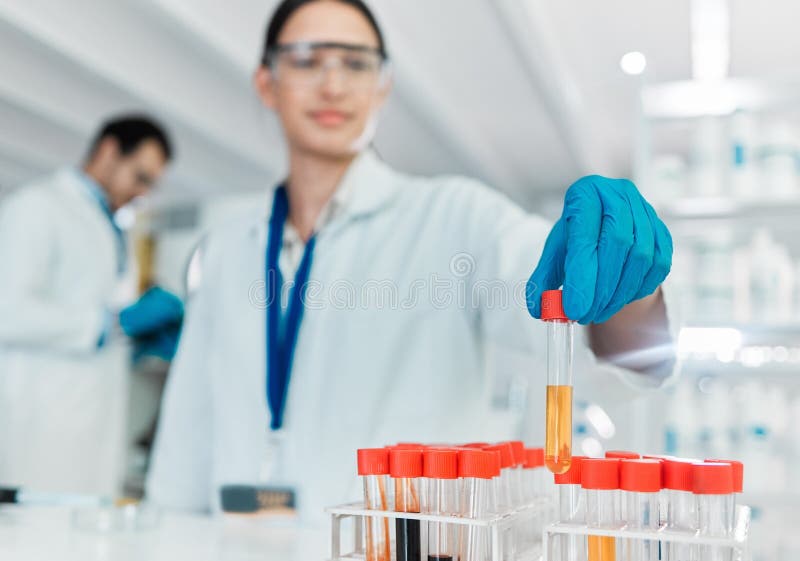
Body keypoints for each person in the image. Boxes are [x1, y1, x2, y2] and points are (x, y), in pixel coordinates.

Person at [147, 0, 675, 522]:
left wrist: (628, 291)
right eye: (307, 60)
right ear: (267, 82)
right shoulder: (227, 247)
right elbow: (185, 445)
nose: (333, 85)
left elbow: (578, 325)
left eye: (356, 63)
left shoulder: (456, 217)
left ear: (383, 86)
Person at [0, 115, 175, 496]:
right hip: (38, 431)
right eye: (140, 177)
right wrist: (110, 325)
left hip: (89, 429)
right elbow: (7, 312)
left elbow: (101, 320)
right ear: (109, 151)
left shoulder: (112, 227)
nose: (141, 193)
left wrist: (136, 343)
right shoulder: (37, 206)